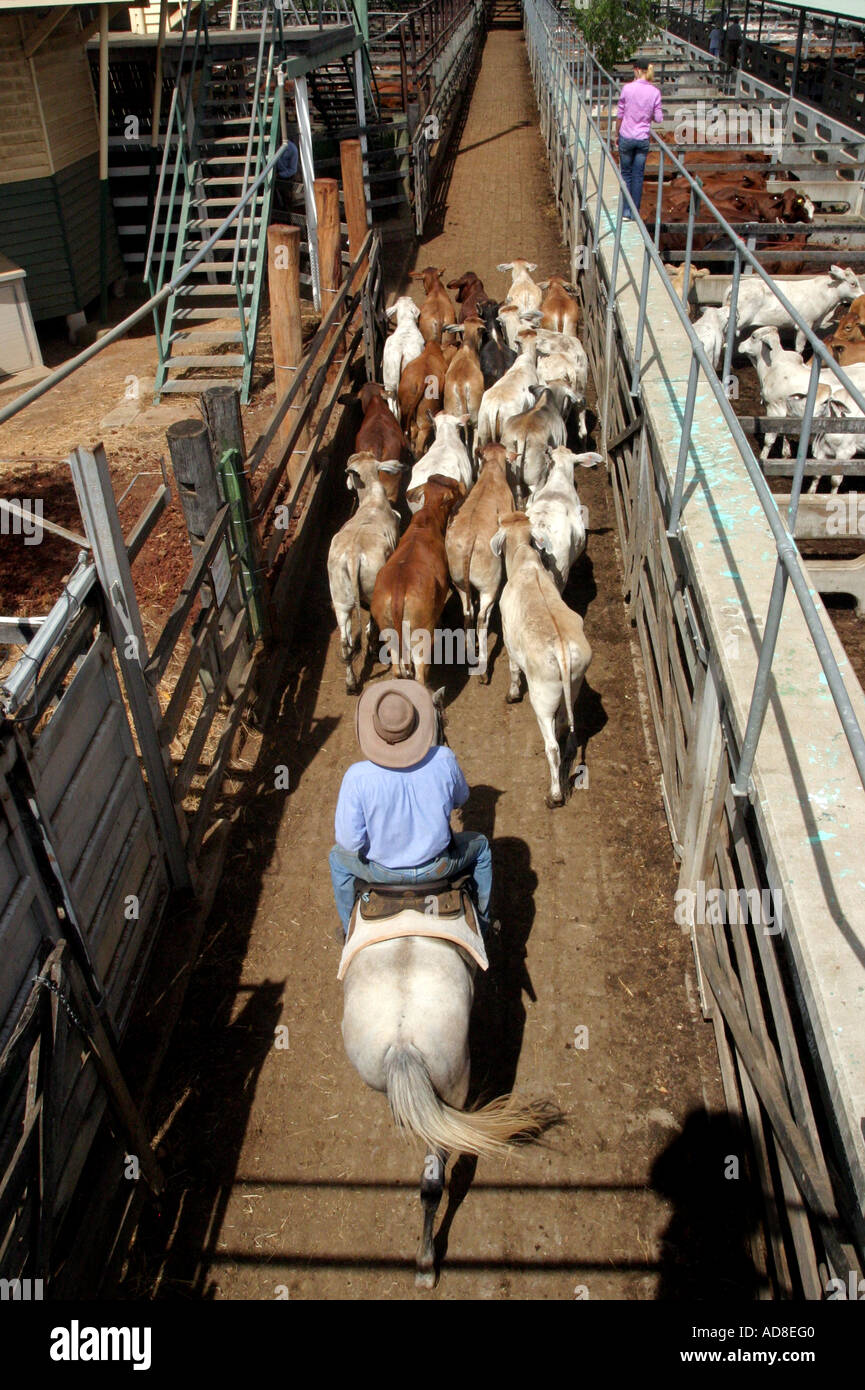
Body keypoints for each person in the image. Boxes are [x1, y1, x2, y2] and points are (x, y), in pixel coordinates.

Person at [328, 680, 493, 938]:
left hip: (383, 872)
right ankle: (482, 924)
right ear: (416, 724)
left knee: (337, 859)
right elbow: (461, 799)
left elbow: (349, 842)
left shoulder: (357, 777)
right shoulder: (444, 759)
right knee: (481, 846)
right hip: (438, 866)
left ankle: (349, 930)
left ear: (375, 730)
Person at [616, 58, 663, 221]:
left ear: (636, 70)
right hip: (643, 138)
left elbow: (620, 114)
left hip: (626, 136)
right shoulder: (655, 92)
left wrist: (617, 134)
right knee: (638, 175)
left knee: (626, 174)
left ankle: (625, 212)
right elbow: (659, 118)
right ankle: (635, 212)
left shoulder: (627, 89)